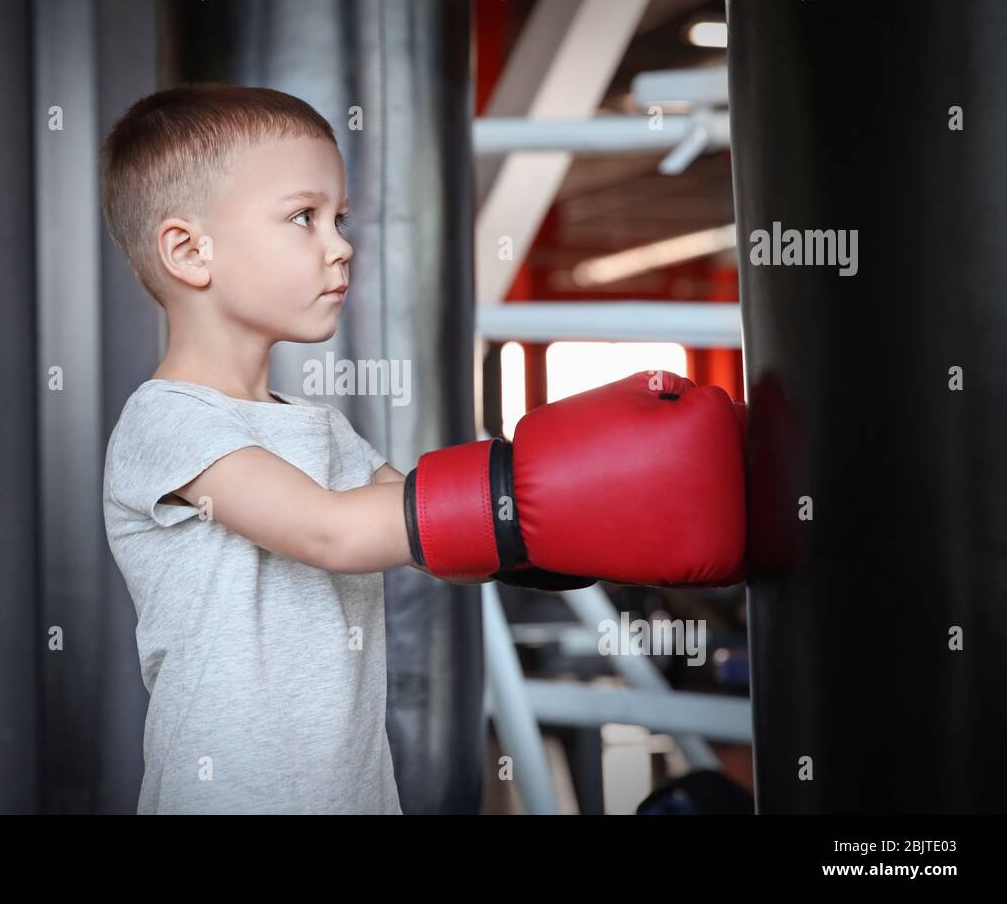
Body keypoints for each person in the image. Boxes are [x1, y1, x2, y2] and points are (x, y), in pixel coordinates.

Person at [99, 83, 743, 814]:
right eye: (303, 218)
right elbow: (330, 531)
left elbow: (430, 536)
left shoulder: (322, 430)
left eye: (339, 218)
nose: (340, 244)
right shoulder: (167, 422)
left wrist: (586, 523)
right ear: (188, 251)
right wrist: (515, 495)